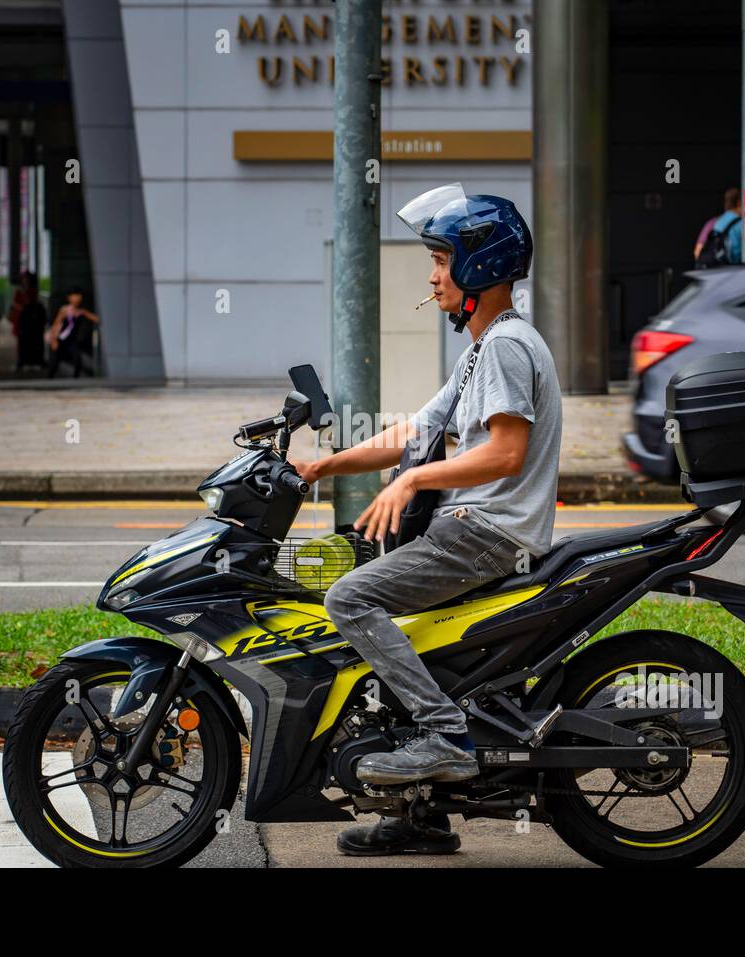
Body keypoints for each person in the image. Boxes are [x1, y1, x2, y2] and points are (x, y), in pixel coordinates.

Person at [294, 184, 563, 857]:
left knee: (350, 597)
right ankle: (421, 815)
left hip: (487, 530)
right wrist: (324, 467)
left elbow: (505, 451)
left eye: (441, 258)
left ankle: (443, 735)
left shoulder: (505, 347)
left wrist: (414, 479)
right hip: (475, 526)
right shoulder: (482, 349)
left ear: (478, 266)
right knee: (388, 615)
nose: (432, 274)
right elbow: (416, 431)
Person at [46, 287, 99, 378]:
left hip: (72, 341)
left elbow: (95, 319)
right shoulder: (65, 310)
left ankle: (75, 380)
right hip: (61, 339)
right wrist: (53, 340)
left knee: (77, 358)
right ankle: (49, 379)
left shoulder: (81, 311)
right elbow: (56, 324)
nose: (76, 298)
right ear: (69, 298)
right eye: (74, 296)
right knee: (55, 362)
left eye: (78, 296)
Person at [694, 187, 743, 267]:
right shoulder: (744, 223)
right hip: (735, 270)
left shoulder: (713, 223)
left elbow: (697, 252)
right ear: (739, 203)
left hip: (717, 270)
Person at [10, 271, 47, 371]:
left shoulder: (33, 291)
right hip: (21, 319)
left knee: (33, 341)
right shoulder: (19, 291)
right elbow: (15, 303)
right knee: (21, 341)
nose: (26, 281)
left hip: (31, 320)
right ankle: (21, 360)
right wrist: (22, 307)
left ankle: (34, 360)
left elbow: (35, 303)